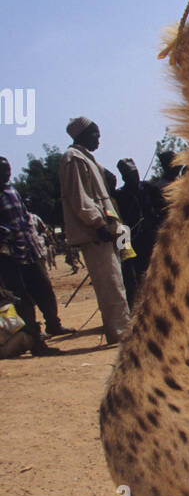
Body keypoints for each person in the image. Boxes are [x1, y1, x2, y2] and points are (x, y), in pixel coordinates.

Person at [59, 117, 130, 344]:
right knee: (110, 286)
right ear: (81, 135)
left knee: (118, 282)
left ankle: (124, 328)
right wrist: (97, 223)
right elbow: (79, 198)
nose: (98, 139)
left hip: (109, 231)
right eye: (95, 135)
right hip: (96, 234)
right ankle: (119, 333)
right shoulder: (73, 159)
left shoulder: (87, 159)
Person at [0, 157, 70, 349]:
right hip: (10, 256)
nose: (7, 174)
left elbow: (25, 219)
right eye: (2, 171)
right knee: (22, 298)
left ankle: (54, 325)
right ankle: (34, 337)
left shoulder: (12, 191)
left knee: (44, 289)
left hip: (29, 251)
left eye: (8, 170)